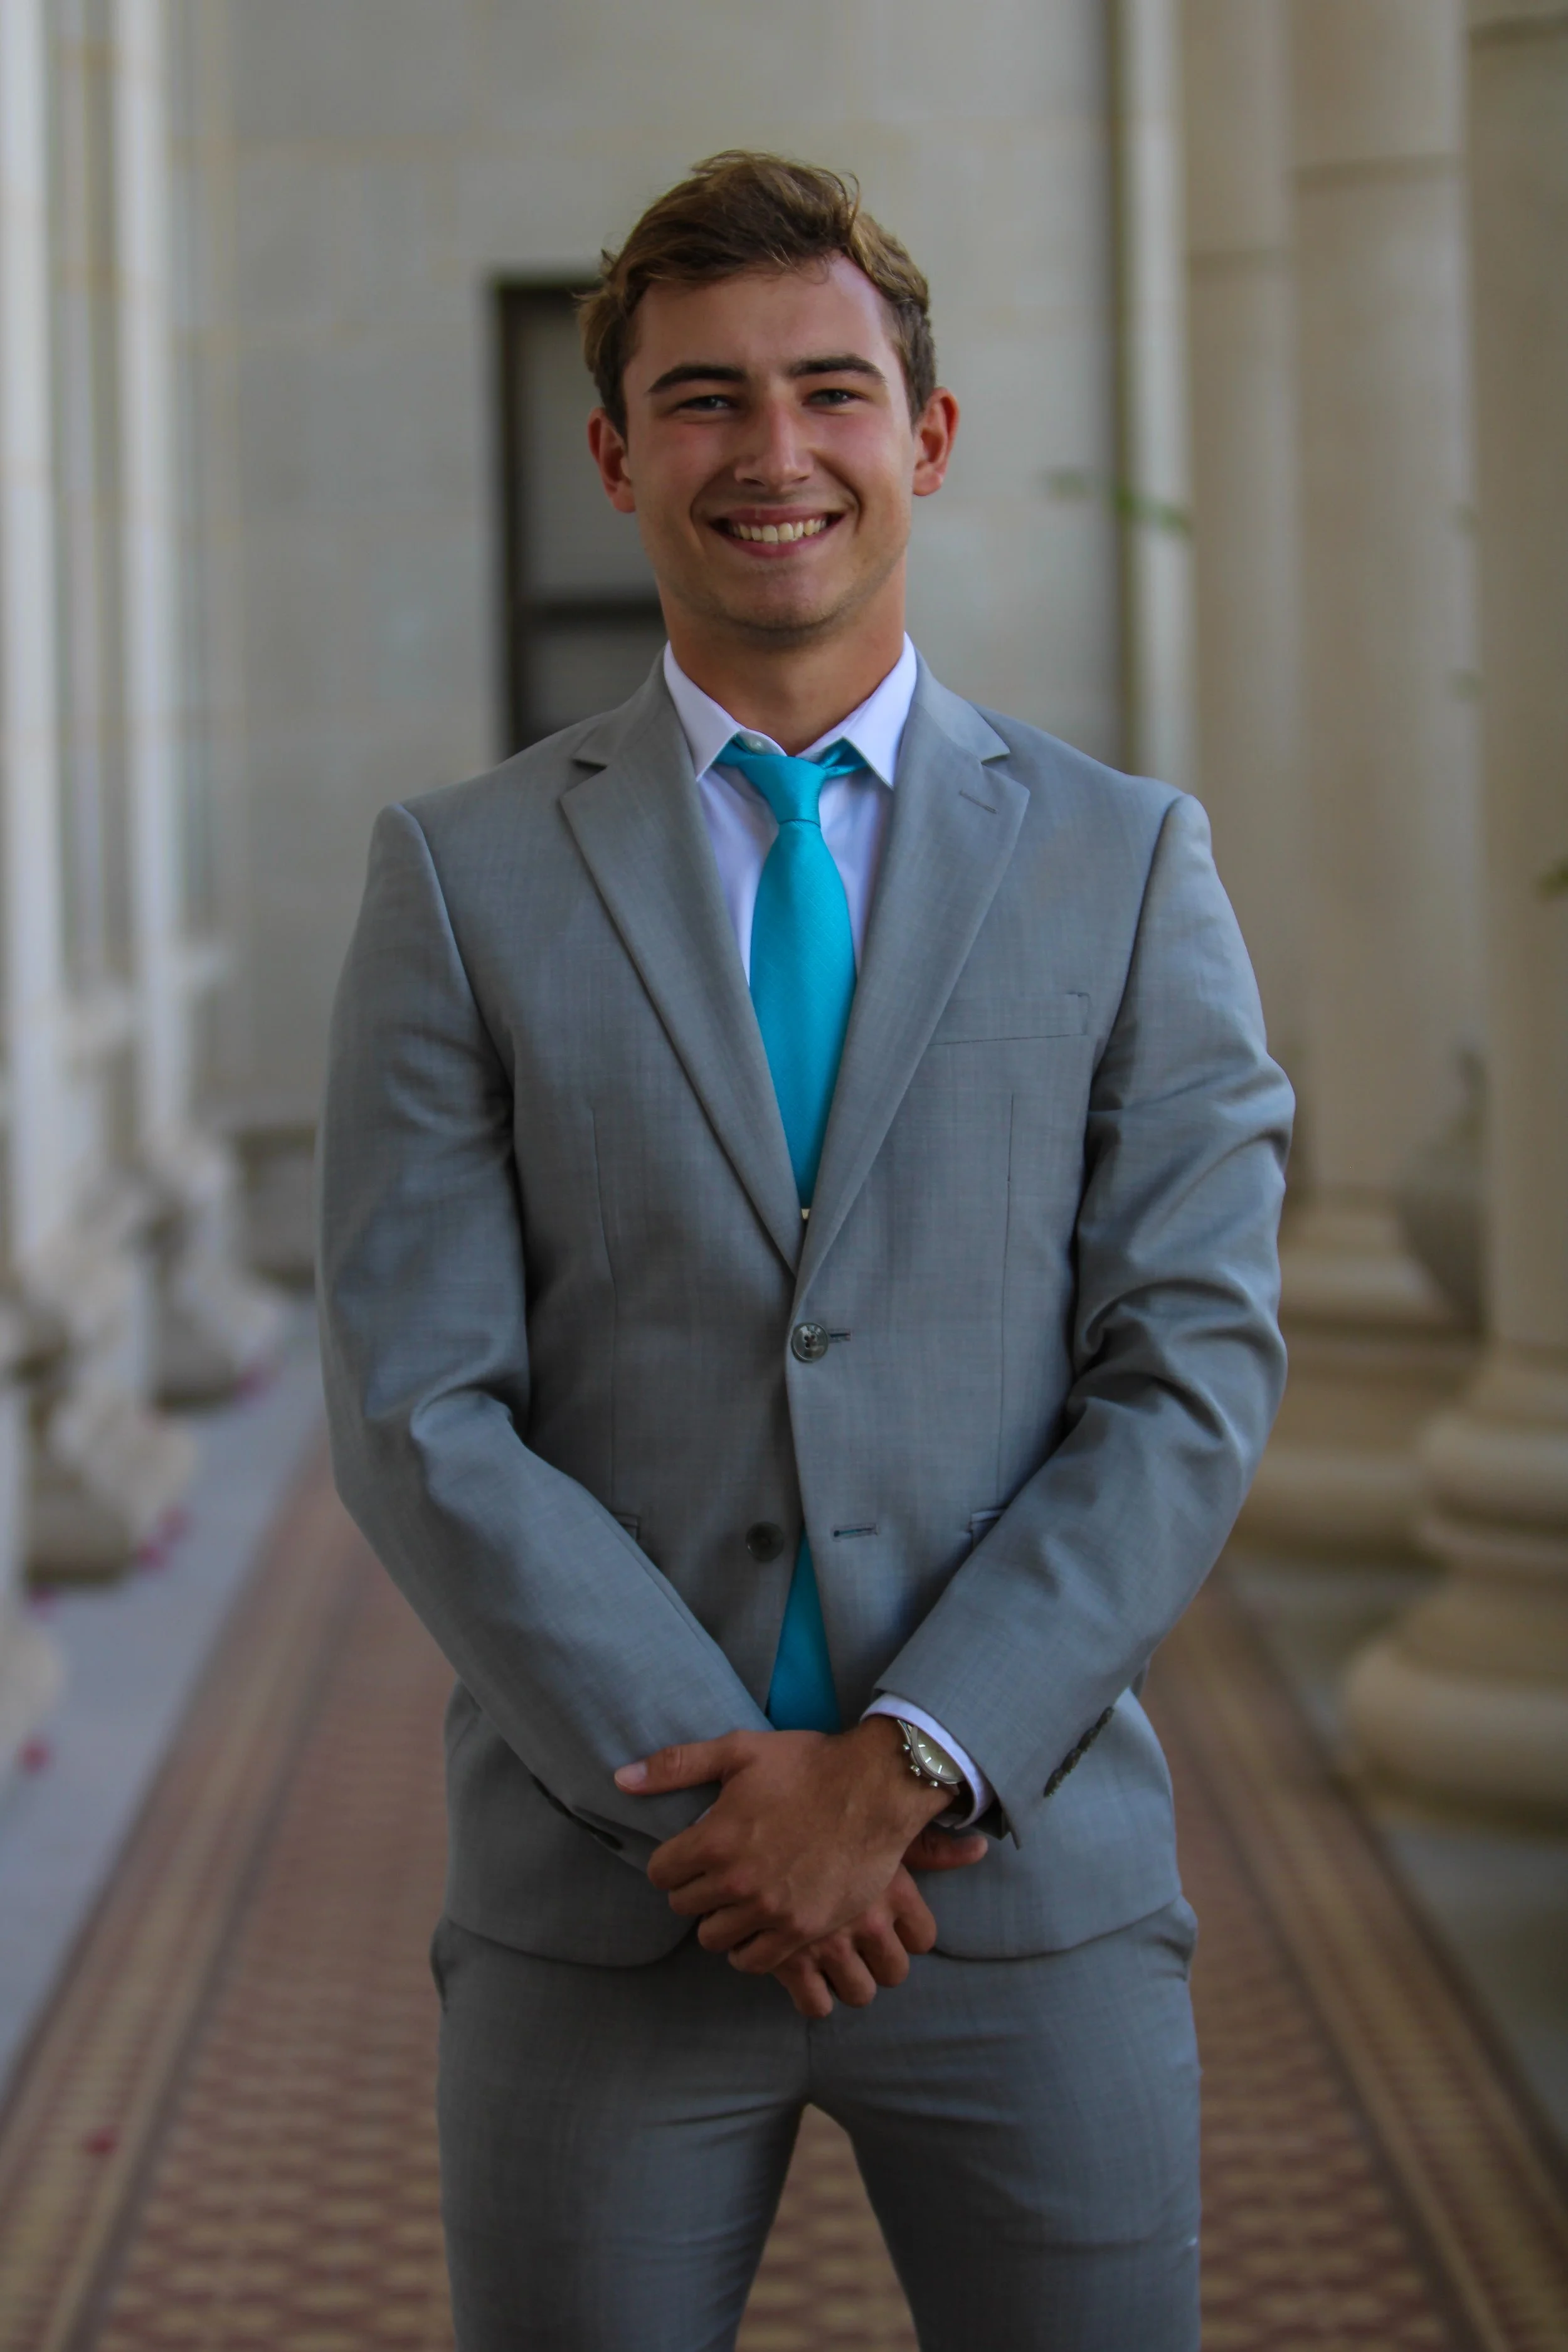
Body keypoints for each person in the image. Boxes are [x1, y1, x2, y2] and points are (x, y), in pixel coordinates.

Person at [317, 150, 1292, 2352]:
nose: (773, 455)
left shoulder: (1128, 865)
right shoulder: (456, 881)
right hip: (613, 1894)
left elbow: (1191, 1368)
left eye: (829, 391)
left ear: (922, 437)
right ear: (613, 453)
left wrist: (898, 1766)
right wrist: (735, 1809)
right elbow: (415, 1396)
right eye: (703, 399)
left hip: (1016, 1890)